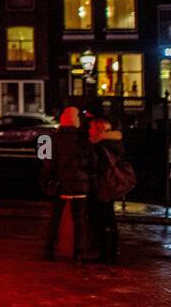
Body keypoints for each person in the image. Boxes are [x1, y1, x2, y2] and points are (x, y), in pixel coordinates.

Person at [42, 106, 90, 261]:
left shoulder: (51, 137)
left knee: (55, 218)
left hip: (61, 183)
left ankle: (49, 250)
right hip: (81, 183)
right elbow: (92, 161)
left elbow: (46, 161)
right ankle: (79, 252)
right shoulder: (84, 139)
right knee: (80, 220)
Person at [88, 118, 125, 264]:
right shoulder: (114, 145)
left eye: (92, 128)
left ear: (100, 130)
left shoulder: (101, 147)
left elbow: (95, 167)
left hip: (102, 186)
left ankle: (105, 253)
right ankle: (112, 251)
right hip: (110, 185)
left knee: (102, 219)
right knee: (109, 218)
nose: (89, 131)